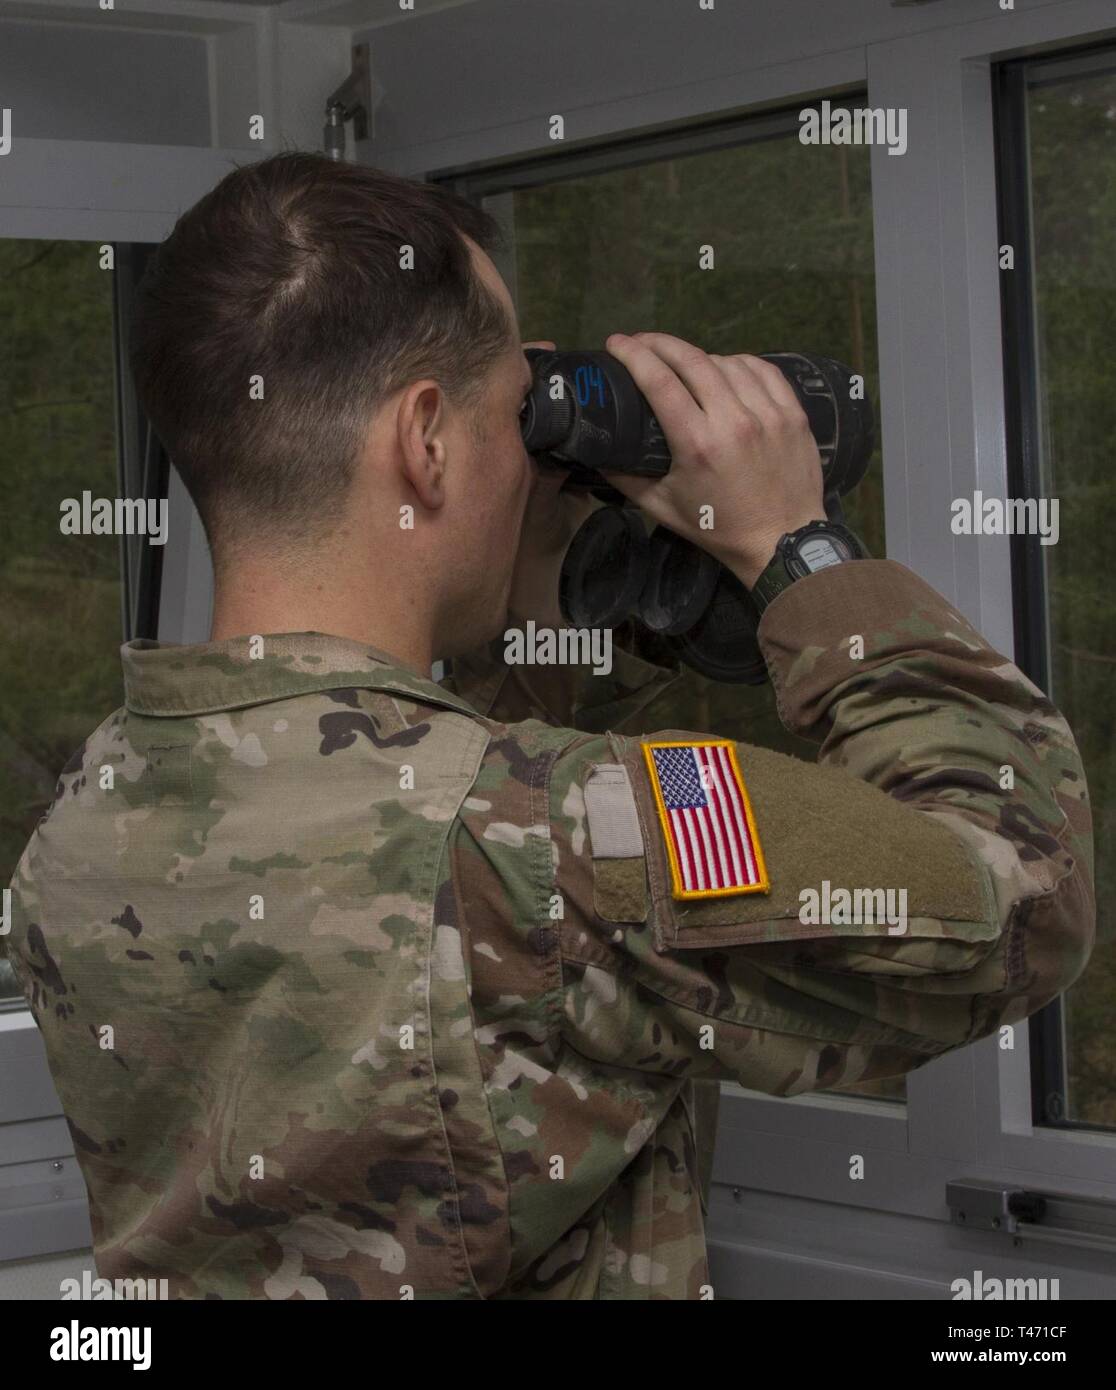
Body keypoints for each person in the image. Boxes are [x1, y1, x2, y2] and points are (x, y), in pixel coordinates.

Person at [2, 153, 1094, 1300]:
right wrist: (796, 552)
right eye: (509, 418)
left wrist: (555, 579)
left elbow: (418, 803)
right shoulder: (558, 839)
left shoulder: (86, 821)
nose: (533, 460)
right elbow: (1029, 884)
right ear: (424, 440)